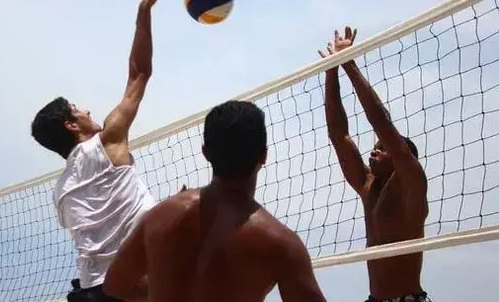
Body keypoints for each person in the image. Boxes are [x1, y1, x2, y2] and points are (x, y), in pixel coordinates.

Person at [30, 0, 179, 302]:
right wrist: (144, 13)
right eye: (78, 109)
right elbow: (139, 74)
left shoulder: (61, 192)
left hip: (91, 291)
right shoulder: (107, 141)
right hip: (131, 286)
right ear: (72, 124)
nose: (86, 109)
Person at [103, 100, 327, 302]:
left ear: (205, 152)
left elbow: (116, 285)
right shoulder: (280, 243)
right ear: (264, 155)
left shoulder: (160, 217)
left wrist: (165, 284)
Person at [319, 26, 430, 302]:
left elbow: (381, 122)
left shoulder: (412, 182)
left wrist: (349, 63)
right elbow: (339, 135)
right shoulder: (368, 186)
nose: (374, 151)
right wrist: (331, 71)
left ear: (403, 157)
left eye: (382, 149)